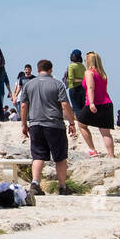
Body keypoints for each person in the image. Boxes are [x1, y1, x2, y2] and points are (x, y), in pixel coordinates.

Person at [19, 59, 78, 196]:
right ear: (51, 70)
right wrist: (72, 123)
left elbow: (23, 106)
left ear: (37, 70)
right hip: (54, 124)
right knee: (60, 157)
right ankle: (63, 186)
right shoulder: (58, 84)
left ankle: (35, 183)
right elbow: (64, 105)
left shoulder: (29, 85)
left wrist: (24, 124)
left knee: (38, 155)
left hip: (35, 124)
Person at [76, 51, 116, 158]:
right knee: (106, 133)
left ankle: (92, 149)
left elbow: (91, 88)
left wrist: (91, 103)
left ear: (88, 61)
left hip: (94, 103)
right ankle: (111, 155)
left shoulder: (89, 72)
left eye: (85, 60)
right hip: (107, 103)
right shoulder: (102, 73)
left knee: (81, 125)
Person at [65, 50, 86, 116]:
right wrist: (82, 80)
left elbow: (71, 79)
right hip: (82, 88)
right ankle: (84, 122)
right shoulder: (83, 66)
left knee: (76, 108)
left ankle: (80, 123)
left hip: (74, 88)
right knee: (82, 107)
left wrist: (66, 80)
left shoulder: (71, 66)